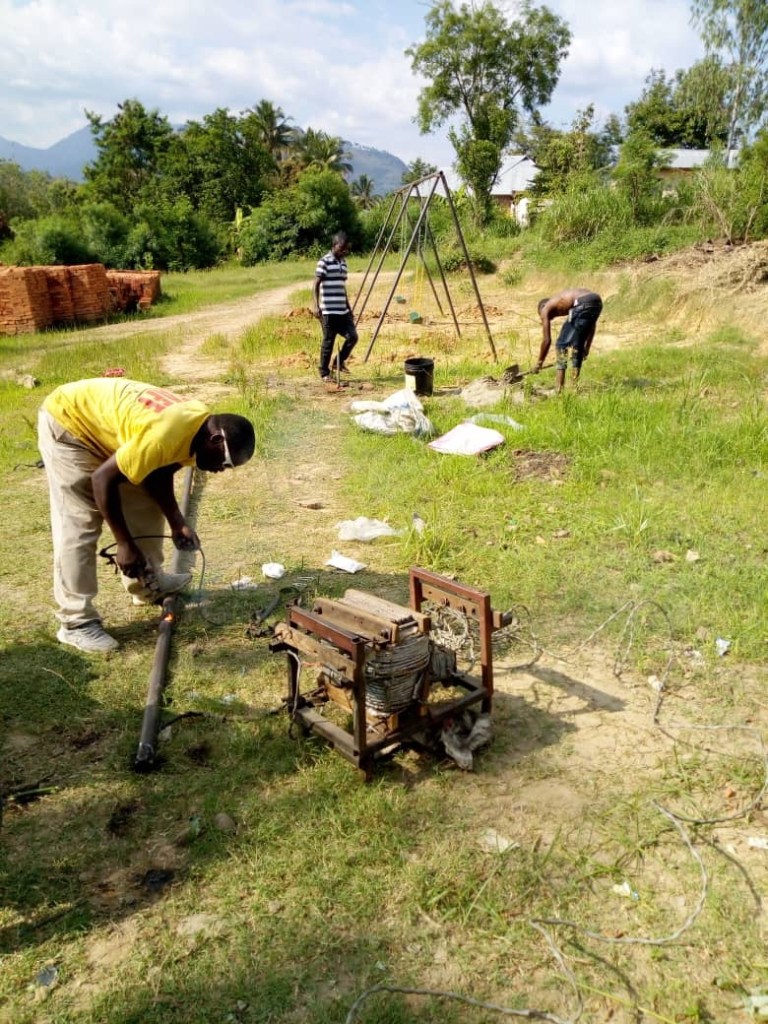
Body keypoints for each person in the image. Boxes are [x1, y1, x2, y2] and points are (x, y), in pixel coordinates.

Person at [37, 377, 256, 653]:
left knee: (144, 503)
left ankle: (146, 584)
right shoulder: (168, 432)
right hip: (70, 424)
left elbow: (157, 472)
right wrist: (125, 545)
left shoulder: (196, 429)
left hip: (105, 429)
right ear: (216, 439)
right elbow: (102, 480)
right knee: (80, 521)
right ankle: (75, 622)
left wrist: (178, 523)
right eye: (224, 463)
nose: (219, 471)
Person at [534, 288, 603, 392]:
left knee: (561, 344)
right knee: (578, 345)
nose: (549, 319)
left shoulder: (545, 308)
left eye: (544, 318)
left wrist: (539, 363)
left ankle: (559, 389)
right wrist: (586, 348)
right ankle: (574, 387)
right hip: (597, 302)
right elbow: (591, 326)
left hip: (582, 302)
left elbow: (547, 340)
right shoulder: (566, 302)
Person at [312, 231, 358, 383]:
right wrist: (316, 306)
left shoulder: (343, 263)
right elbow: (316, 284)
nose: (344, 251)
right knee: (328, 341)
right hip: (328, 311)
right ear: (334, 246)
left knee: (353, 337)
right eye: (341, 248)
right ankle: (324, 373)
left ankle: (338, 362)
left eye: (346, 249)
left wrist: (349, 308)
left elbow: (341, 288)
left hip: (342, 311)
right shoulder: (324, 262)